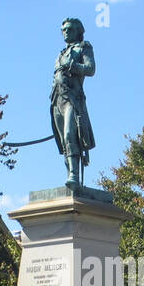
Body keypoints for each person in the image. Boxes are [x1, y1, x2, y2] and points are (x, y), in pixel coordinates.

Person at [49, 17, 95, 187]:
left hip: (72, 99)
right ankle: (69, 173)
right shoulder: (61, 53)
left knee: (70, 134)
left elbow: (90, 69)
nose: (66, 32)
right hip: (57, 100)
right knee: (63, 141)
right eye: (64, 30)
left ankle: (74, 175)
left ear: (78, 31)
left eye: (69, 29)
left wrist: (72, 65)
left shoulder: (84, 47)